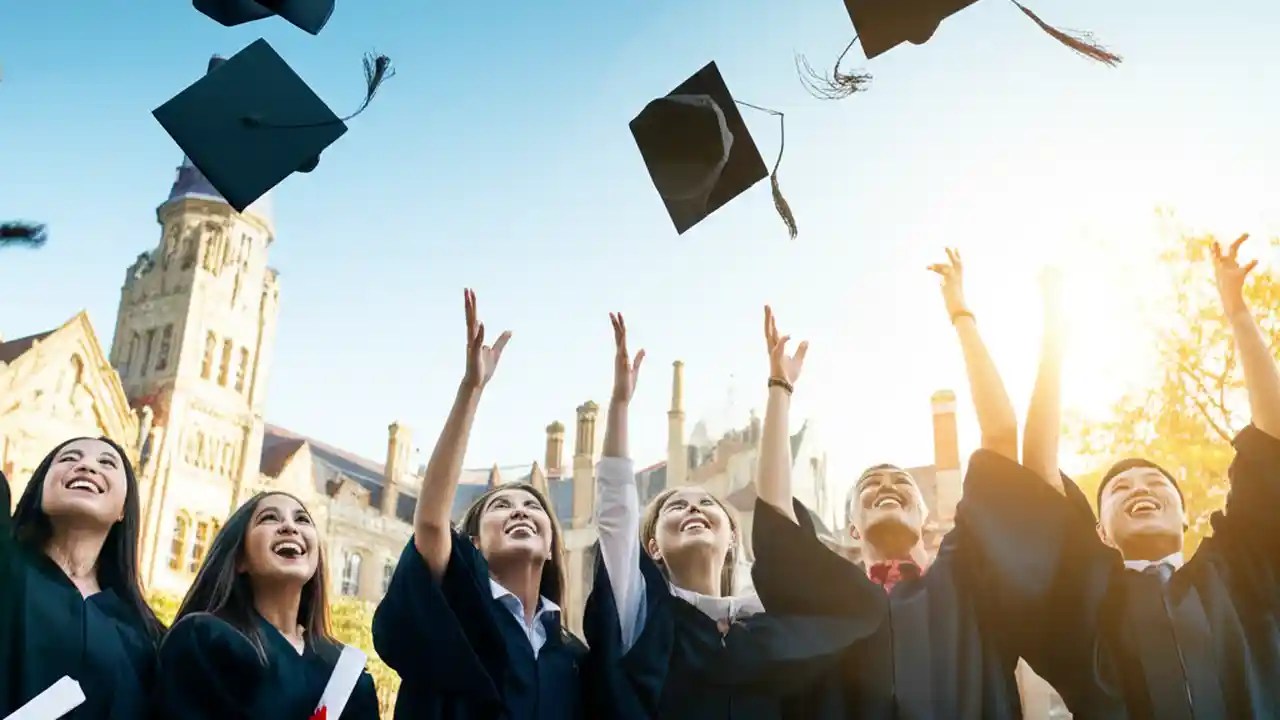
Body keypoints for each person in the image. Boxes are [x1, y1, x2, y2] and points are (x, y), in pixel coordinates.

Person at [750, 251, 1072, 718]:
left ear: (928, 518)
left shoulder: (967, 582)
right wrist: (779, 388)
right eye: (870, 486)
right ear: (853, 529)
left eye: (901, 483)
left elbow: (1000, 436)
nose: (886, 486)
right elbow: (775, 517)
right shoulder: (827, 602)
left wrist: (962, 317)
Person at [1011, 233, 1280, 719]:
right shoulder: (1087, 602)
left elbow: (1272, 440)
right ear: (1099, 532)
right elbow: (1038, 481)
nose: (1140, 487)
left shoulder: (1236, 574)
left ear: (1185, 514)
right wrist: (1054, 341)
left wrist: (1238, 314)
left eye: (1157, 483)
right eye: (1120, 488)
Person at [582, 313, 872, 719]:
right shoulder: (644, 618)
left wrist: (780, 389)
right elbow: (615, 512)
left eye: (706, 504)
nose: (694, 508)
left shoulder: (763, 618)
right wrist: (619, 404)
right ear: (653, 547)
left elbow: (776, 508)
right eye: (675, 506)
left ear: (733, 537)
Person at [373, 288, 586, 719]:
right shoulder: (457, 611)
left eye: (532, 507)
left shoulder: (573, 658)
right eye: (502, 506)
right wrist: (472, 388)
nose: (521, 510)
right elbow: (431, 524)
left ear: (550, 546)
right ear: (472, 542)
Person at [153, 491, 380, 719]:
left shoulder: (348, 674)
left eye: (302, 520)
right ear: (240, 558)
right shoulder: (203, 640)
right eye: (269, 518)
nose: (290, 527)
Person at [0, 437, 164, 719]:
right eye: (68, 458)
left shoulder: (145, 636)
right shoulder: (7, 568)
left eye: (106, 463)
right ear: (39, 490)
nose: (86, 466)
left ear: (124, 509)